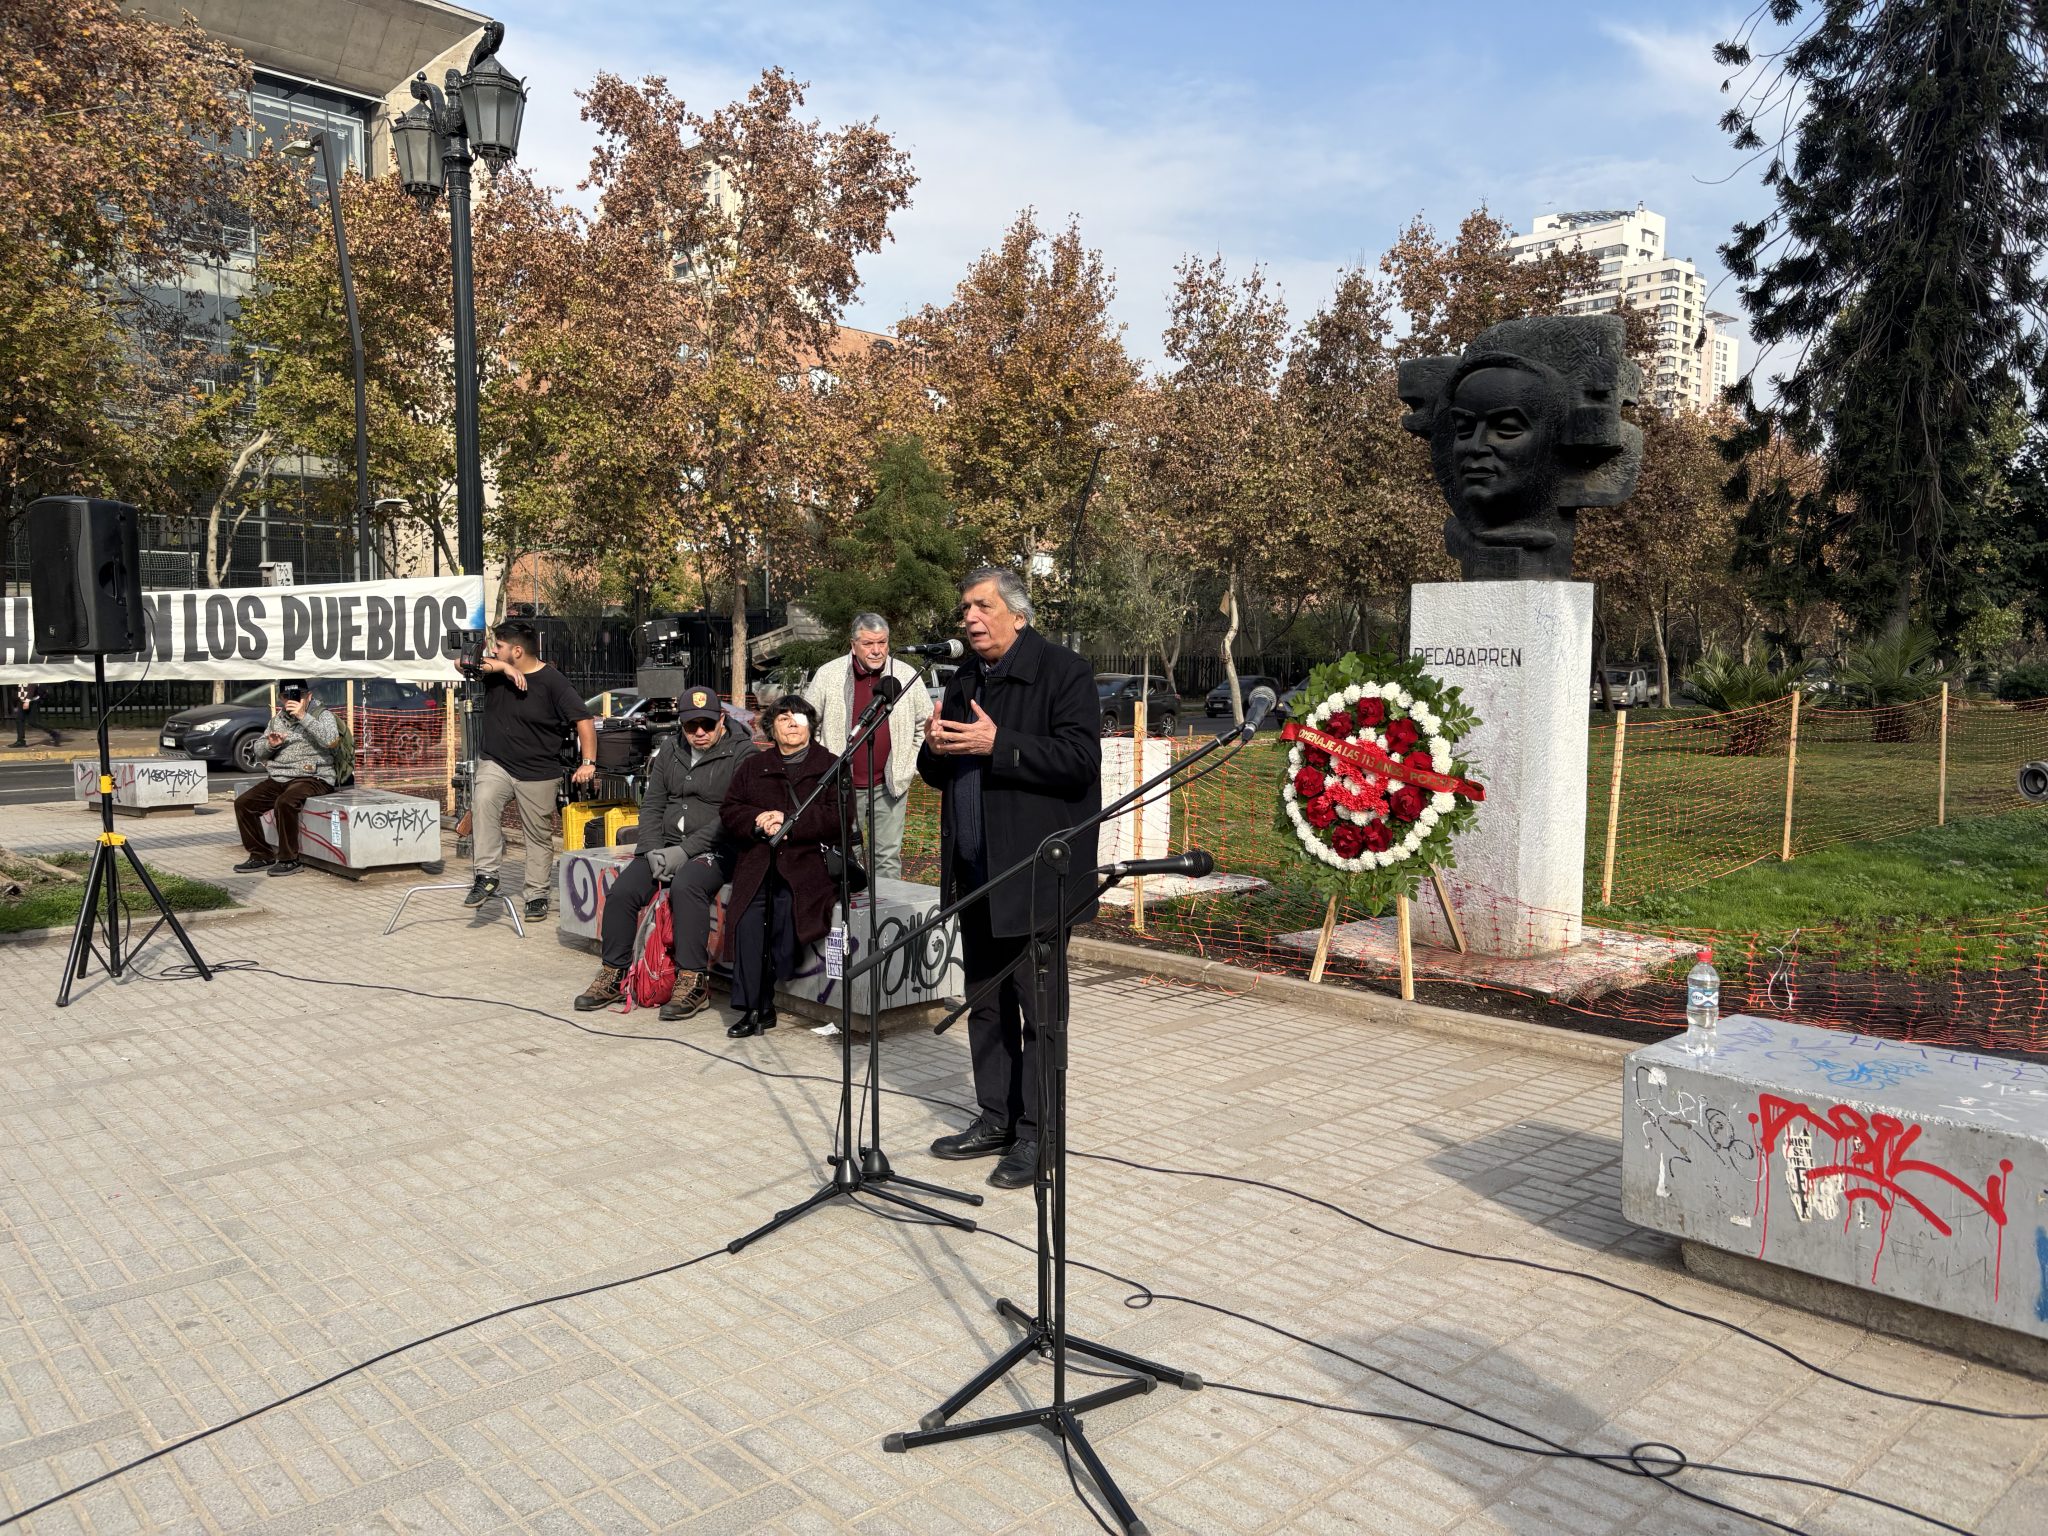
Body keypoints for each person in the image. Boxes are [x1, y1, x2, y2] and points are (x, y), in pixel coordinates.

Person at [919, 566, 1100, 1190]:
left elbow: (1079, 763)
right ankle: (995, 1117)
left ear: (1017, 615)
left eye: (982, 606)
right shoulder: (963, 676)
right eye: (965, 607)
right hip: (976, 872)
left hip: (1035, 877)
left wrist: (1001, 743)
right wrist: (935, 749)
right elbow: (938, 768)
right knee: (985, 1006)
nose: (969, 618)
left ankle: (1037, 1137)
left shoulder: (1064, 672)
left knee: (1038, 1011)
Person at [574, 686, 754, 1019]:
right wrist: (653, 849)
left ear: (722, 720)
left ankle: (693, 979)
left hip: (718, 848)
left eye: (707, 724)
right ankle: (614, 972)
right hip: (665, 844)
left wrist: (684, 852)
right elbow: (653, 804)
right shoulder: (671, 749)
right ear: (680, 725)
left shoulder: (743, 754)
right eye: (691, 726)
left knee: (687, 886)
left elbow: (731, 815)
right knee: (623, 892)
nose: (699, 732)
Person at [717, 695, 846, 1039]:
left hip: (809, 863)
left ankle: (771, 980)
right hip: (760, 860)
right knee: (745, 921)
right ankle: (755, 1007)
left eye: (800, 717)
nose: (792, 723)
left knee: (788, 914)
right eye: (784, 717)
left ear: (811, 726)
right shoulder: (752, 767)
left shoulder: (831, 765)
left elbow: (841, 818)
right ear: (771, 728)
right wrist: (758, 820)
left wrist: (789, 822)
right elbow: (730, 810)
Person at [466, 620, 595, 919]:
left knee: (537, 835)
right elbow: (463, 664)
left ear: (518, 650)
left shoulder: (554, 682)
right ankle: (486, 875)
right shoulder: (495, 672)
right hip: (496, 761)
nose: (493, 651)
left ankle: (536, 895)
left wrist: (588, 763)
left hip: (538, 770)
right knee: (483, 801)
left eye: (499, 647)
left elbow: (584, 721)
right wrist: (503, 668)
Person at [802, 613, 931, 881]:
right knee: (846, 856)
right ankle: (851, 918)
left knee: (887, 858)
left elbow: (926, 724)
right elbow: (807, 725)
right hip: (842, 787)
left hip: (890, 786)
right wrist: (822, 766)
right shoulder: (829, 675)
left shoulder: (906, 675)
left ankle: (887, 919)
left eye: (882, 643)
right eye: (869, 644)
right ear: (853, 645)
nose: (877, 650)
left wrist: (910, 762)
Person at [232, 681, 342, 877]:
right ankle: (261, 855)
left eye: (298, 695)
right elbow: (258, 750)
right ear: (281, 698)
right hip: (280, 776)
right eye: (286, 696)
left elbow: (331, 740)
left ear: (308, 696)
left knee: (285, 802)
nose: (292, 700)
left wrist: (302, 716)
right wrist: (271, 745)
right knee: (244, 803)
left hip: (314, 776)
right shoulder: (278, 719)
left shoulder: (322, 715)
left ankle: (288, 859)